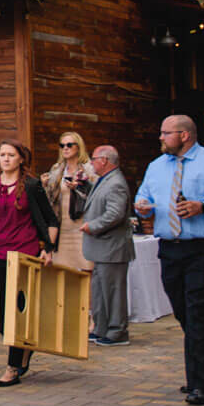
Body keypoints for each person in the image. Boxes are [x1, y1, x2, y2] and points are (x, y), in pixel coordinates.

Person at [133, 115, 204, 405]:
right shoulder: (156, 166)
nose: (160, 137)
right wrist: (143, 208)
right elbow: (144, 198)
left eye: (165, 133)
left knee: (197, 312)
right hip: (169, 248)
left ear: (184, 135)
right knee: (184, 311)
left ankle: (198, 384)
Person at [0, 140, 57, 388]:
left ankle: (12, 367)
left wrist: (48, 249)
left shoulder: (31, 185)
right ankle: (24, 344)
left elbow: (50, 219)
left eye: (11, 155)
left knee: (17, 310)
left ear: (20, 159)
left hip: (24, 255)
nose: (5, 159)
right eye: (2, 155)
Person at [82, 146, 134, 346]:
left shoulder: (116, 183)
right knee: (100, 291)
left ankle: (117, 331)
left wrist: (92, 226)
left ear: (104, 160)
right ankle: (102, 327)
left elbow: (115, 213)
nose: (91, 163)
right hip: (101, 249)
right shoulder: (104, 180)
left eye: (94, 159)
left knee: (113, 291)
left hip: (112, 247)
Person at [43, 131, 95, 272]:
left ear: (78, 147)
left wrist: (80, 188)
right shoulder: (56, 170)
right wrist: (44, 186)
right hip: (63, 229)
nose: (65, 148)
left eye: (69, 145)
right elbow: (50, 201)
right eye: (62, 145)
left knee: (86, 270)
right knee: (63, 271)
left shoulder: (90, 169)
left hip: (82, 228)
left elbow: (97, 196)